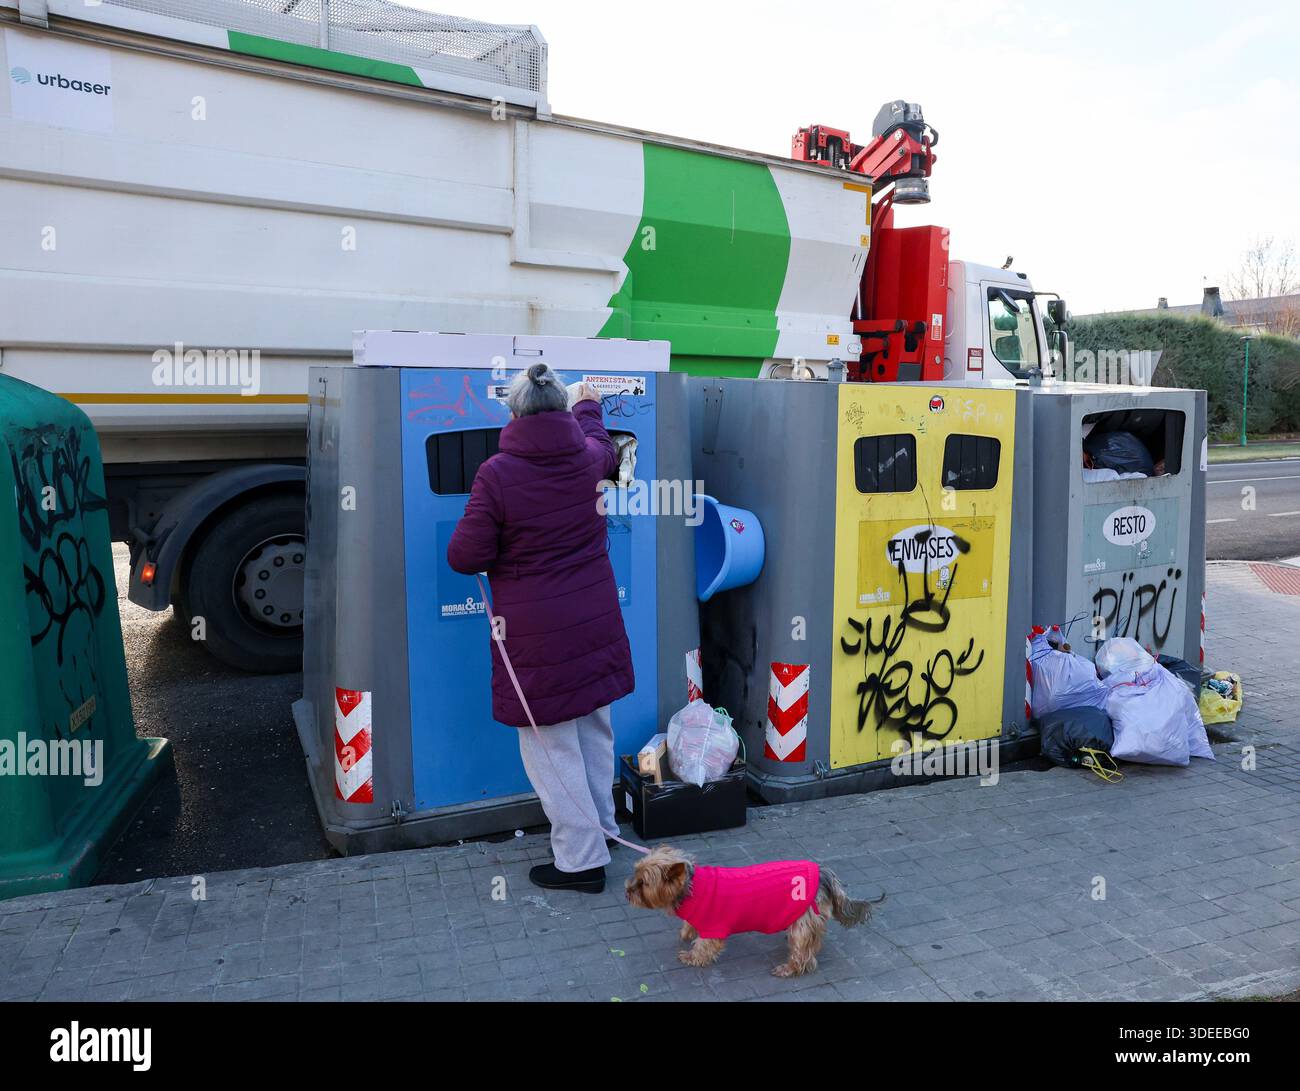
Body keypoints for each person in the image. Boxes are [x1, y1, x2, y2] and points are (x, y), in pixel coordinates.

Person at [447, 363, 634, 894]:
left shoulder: (498, 473)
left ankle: (581, 862)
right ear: (559, 410)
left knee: (551, 745)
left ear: (513, 411)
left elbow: (464, 555)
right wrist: (589, 404)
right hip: (594, 621)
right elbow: (601, 440)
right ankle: (604, 831)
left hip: (536, 634)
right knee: (595, 730)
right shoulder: (589, 458)